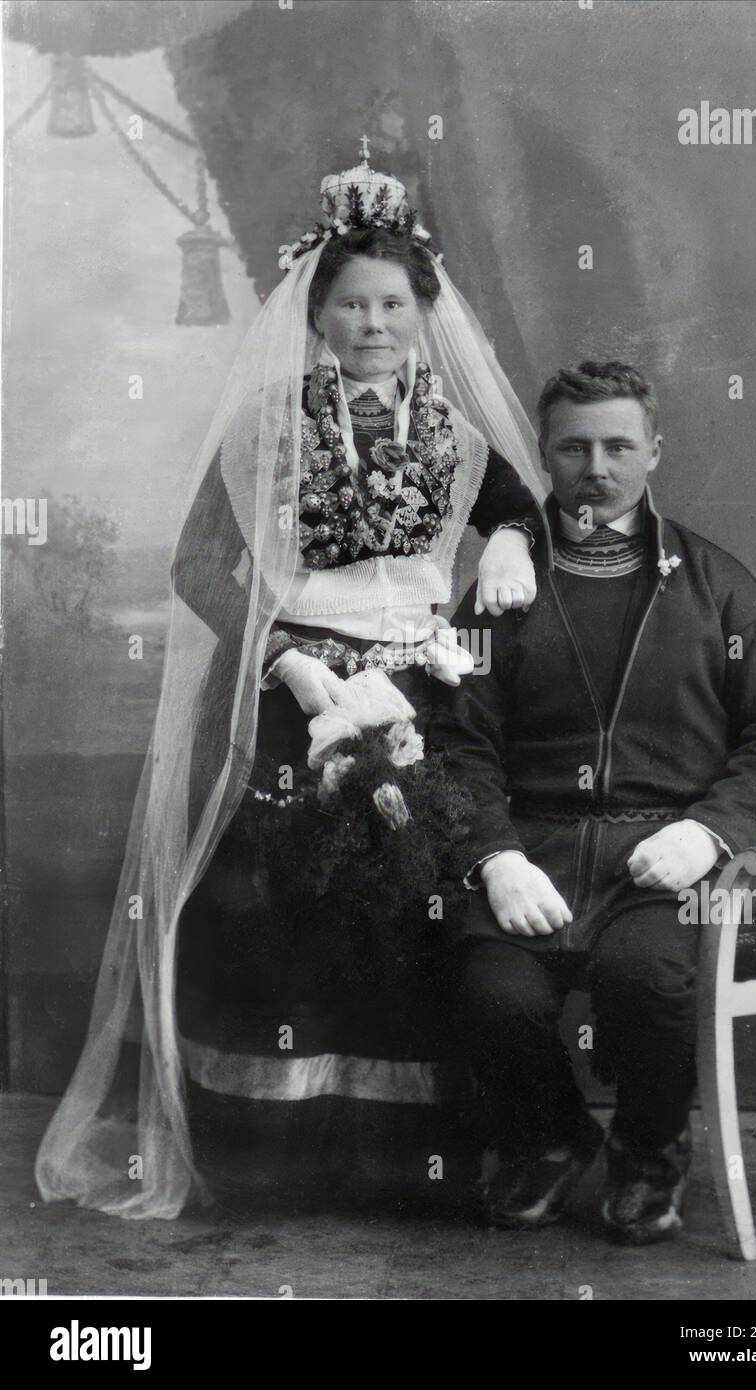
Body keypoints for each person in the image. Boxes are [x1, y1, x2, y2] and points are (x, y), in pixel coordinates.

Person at [34, 149, 547, 1219]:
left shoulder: (451, 436)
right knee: (281, 913)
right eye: (351, 304)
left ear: (423, 310)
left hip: (418, 694)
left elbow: (521, 507)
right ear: (316, 313)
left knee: (407, 908)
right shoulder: (265, 426)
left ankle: (405, 1162)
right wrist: (285, 656)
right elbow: (193, 569)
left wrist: (506, 542)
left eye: (393, 303)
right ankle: (271, 1159)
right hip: (285, 697)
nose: (373, 323)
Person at [430, 360, 756, 1241]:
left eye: (617, 445)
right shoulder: (500, 591)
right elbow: (457, 741)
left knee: (648, 978)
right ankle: (549, 1138)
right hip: (535, 851)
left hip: (662, 855)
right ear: (546, 454)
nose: (595, 466)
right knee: (494, 993)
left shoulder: (717, 585)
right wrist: (495, 855)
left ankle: (648, 1150)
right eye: (573, 446)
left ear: (653, 453)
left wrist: (711, 833)